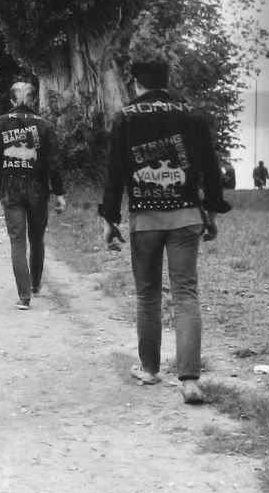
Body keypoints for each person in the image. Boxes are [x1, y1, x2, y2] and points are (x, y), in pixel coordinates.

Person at [99, 57, 231, 404]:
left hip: (145, 220)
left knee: (148, 295)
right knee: (186, 295)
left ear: (136, 83)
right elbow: (210, 167)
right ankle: (189, 381)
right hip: (186, 217)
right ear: (166, 81)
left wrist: (110, 219)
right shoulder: (190, 114)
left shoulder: (125, 117)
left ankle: (149, 369)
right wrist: (213, 211)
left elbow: (114, 174)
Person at [0, 81, 66, 309]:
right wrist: (59, 193)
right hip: (38, 187)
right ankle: (36, 285)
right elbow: (54, 163)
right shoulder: (45, 126)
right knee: (37, 238)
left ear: (11, 101)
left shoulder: (0, 123)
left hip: (10, 187)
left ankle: (24, 297)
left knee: (17, 242)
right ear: (33, 101)